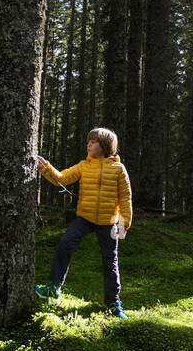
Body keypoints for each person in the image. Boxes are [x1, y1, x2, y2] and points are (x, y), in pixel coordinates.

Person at [35, 127, 133, 319]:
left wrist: (124, 223)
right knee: (65, 245)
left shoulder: (118, 169)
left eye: (93, 142)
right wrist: (45, 167)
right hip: (85, 218)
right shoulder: (83, 166)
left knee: (110, 262)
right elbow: (62, 178)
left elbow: (125, 197)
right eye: (88, 141)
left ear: (105, 146)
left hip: (109, 222)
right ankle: (53, 288)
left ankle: (114, 303)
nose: (88, 144)